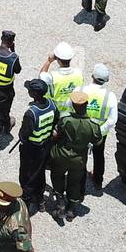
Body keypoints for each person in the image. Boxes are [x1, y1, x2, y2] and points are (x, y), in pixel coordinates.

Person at [47, 92, 100, 223]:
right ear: (86, 104)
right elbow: (97, 141)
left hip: (61, 154)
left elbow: (55, 135)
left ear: (73, 105)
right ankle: (71, 210)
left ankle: (60, 200)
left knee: (57, 175)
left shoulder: (66, 119)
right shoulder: (93, 125)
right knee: (75, 182)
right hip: (79, 158)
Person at [16, 78, 55, 212]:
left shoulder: (31, 113)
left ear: (34, 94)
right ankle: (40, 200)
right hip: (45, 146)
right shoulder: (52, 104)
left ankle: (25, 205)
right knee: (39, 172)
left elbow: (24, 135)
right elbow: (56, 121)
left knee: (27, 176)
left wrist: (21, 136)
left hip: (31, 149)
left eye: (30, 90)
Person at [81, 63, 118, 194]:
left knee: (80, 153)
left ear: (92, 76)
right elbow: (112, 120)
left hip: (82, 129)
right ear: (106, 80)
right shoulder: (110, 97)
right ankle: (97, 181)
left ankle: (79, 178)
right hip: (100, 133)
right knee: (98, 155)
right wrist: (99, 132)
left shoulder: (82, 90)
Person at [39, 41, 83, 116]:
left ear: (58, 60)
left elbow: (41, 77)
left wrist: (49, 61)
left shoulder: (52, 76)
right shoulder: (79, 74)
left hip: (56, 111)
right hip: (73, 111)